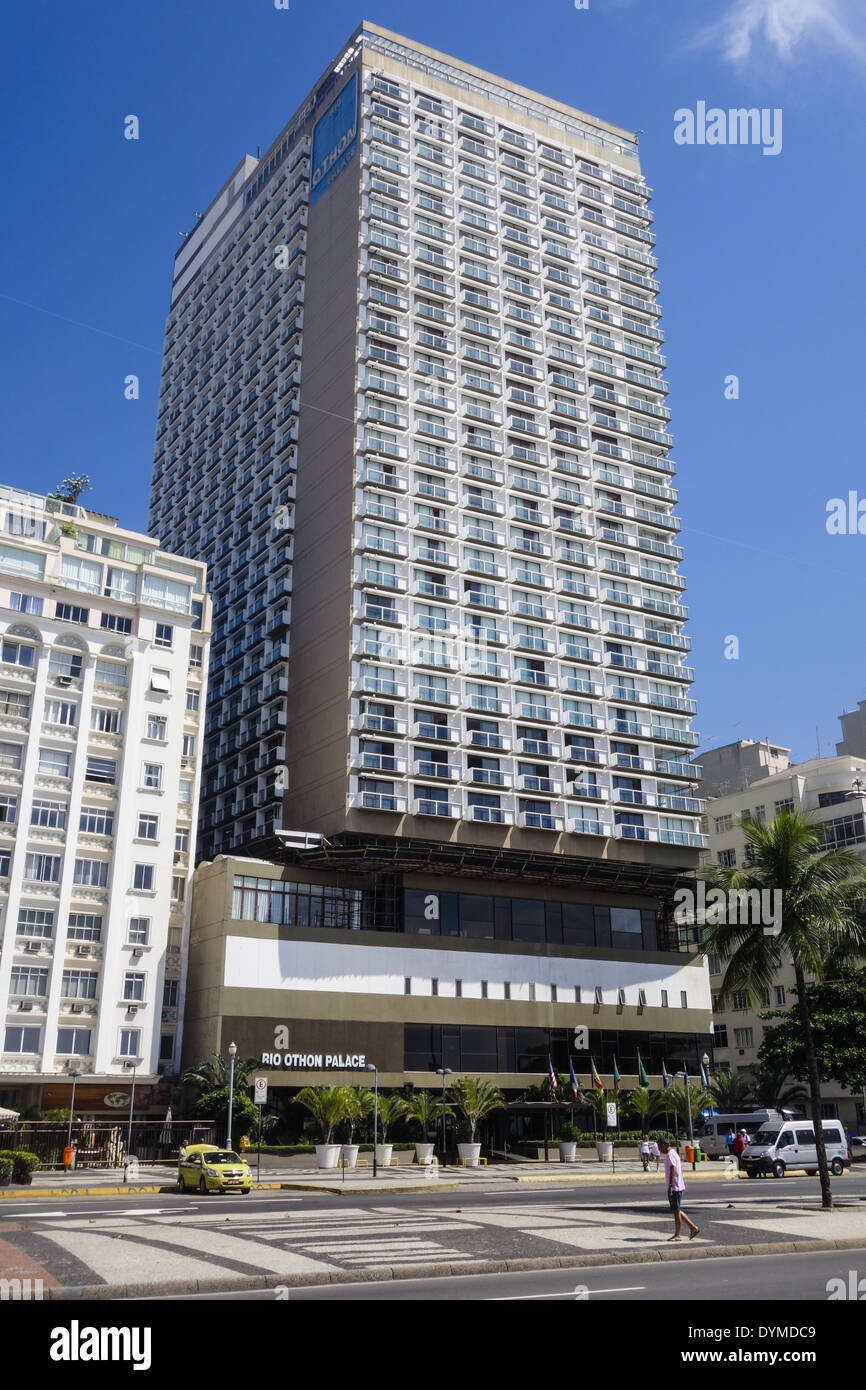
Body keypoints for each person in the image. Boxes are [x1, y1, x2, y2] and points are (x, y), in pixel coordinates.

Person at [658, 1139, 700, 1241]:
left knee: (676, 1211)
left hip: (675, 1187)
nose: (659, 1150)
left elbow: (673, 1169)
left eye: (659, 1147)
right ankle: (693, 1227)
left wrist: (671, 1186)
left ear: (664, 1145)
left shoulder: (670, 1155)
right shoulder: (672, 1153)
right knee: (676, 1210)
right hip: (676, 1186)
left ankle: (678, 1235)